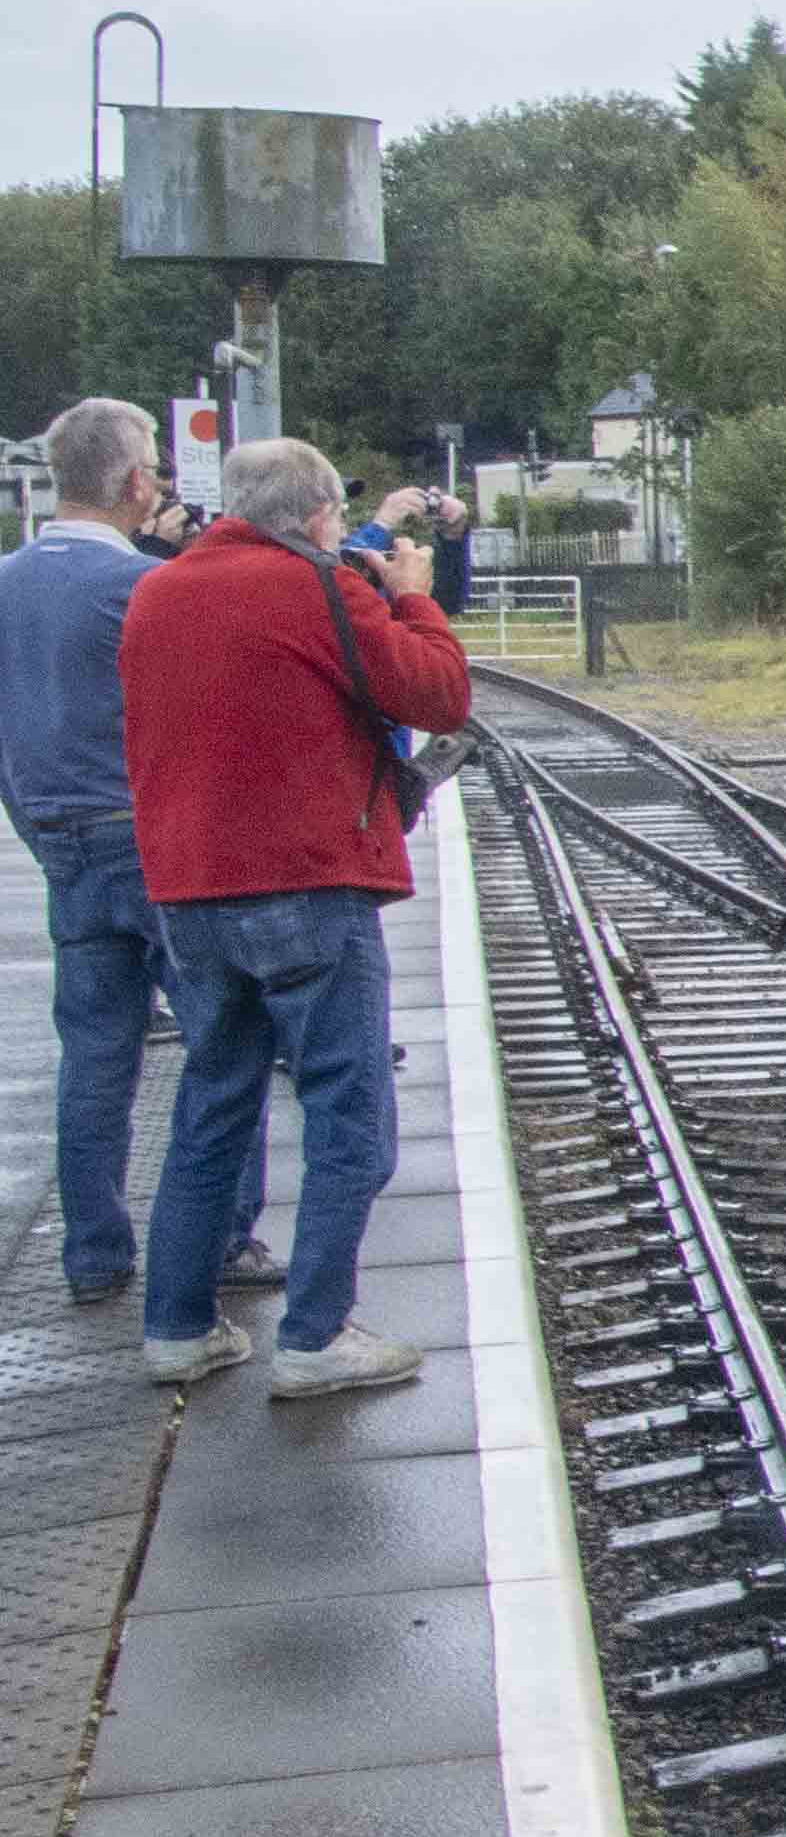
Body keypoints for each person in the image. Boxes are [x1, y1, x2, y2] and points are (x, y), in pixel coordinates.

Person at [123, 440, 469, 1391]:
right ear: (320, 515)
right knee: (349, 1112)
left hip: (190, 890)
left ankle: (178, 1329)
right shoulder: (318, 592)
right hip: (306, 884)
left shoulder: (156, 592)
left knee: (214, 1103)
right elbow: (438, 693)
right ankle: (317, 1334)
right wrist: (412, 594)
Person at [0, 401, 270, 1307]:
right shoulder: (142, 589)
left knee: (96, 1059)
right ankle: (225, 1239)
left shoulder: (4, 584)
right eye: (152, 462)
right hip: (152, 842)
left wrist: (38, 830)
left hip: (63, 845)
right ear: (133, 484)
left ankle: (94, 1256)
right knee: (222, 1039)